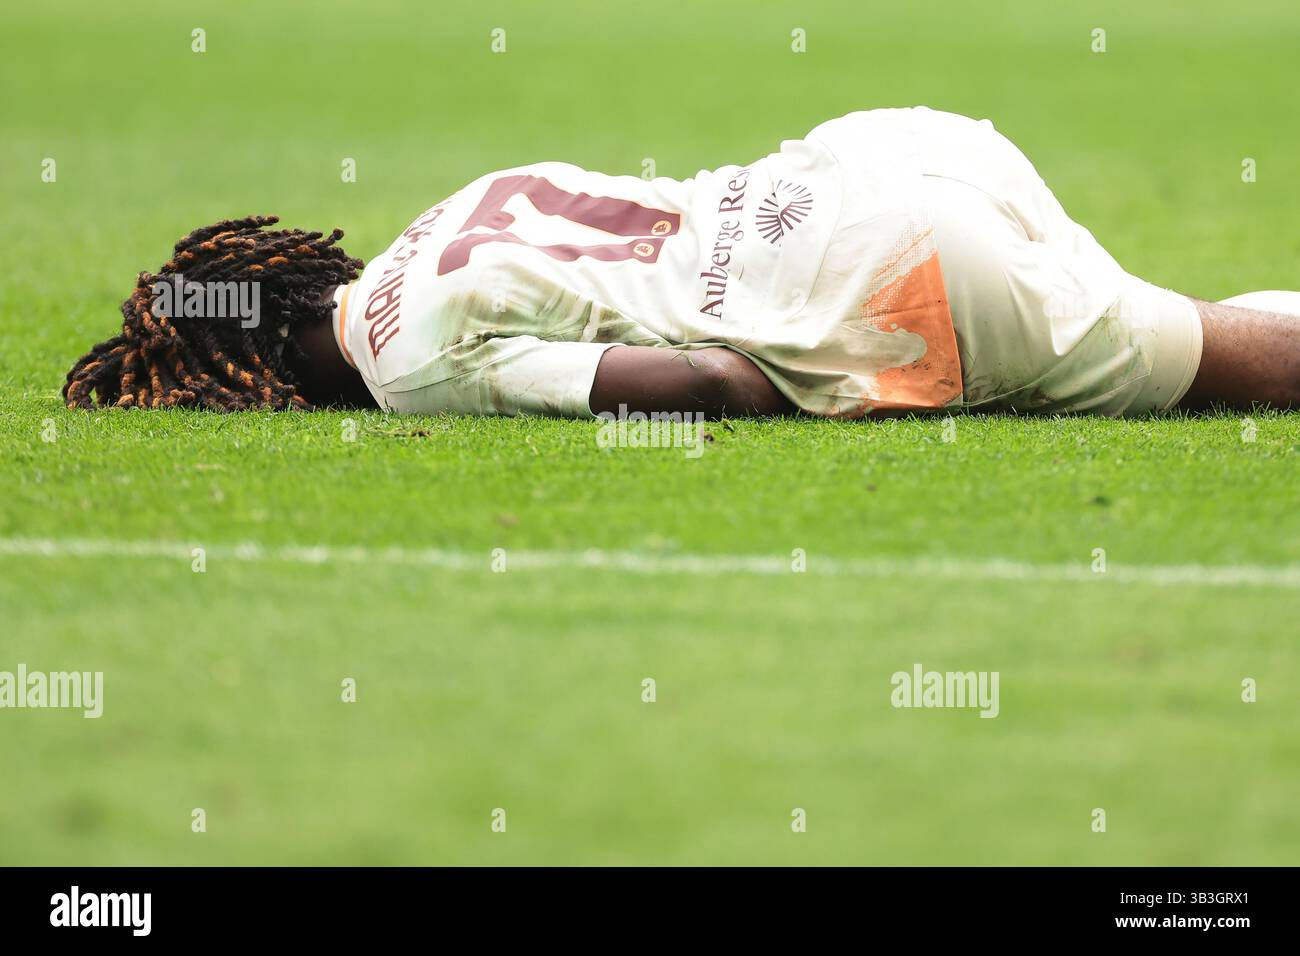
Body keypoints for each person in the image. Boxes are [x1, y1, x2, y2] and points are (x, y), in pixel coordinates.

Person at [64, 107, 1299, 418]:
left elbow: (699, 387)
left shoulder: (405, 363)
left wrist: (828, 387)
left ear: (257, 369)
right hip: (879, 156)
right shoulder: (441, 213)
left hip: (894, 274)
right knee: (1175, 323)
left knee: (1232, 366)